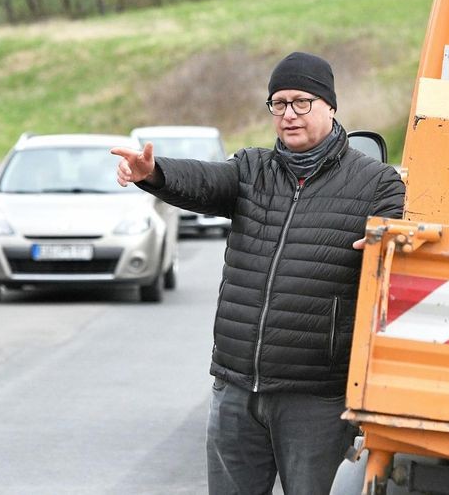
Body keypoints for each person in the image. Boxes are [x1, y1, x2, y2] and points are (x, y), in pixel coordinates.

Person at [111, 51, 406, 494]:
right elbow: (204, 181)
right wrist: (155, 173)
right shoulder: (252, 171)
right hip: (235, 389)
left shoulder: (377, 183)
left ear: (330, 105)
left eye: (302, 102)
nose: (289, 114)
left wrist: (387, 247)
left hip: (315, 397)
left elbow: (400, 243)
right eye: (279, 103)